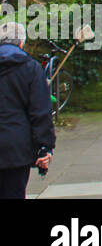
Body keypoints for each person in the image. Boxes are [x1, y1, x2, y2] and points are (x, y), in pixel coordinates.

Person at [0, 22, 56, 199]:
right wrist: (44, 147)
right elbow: (40, 111)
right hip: (15, 148)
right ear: (22, 43)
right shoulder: (31, 68)